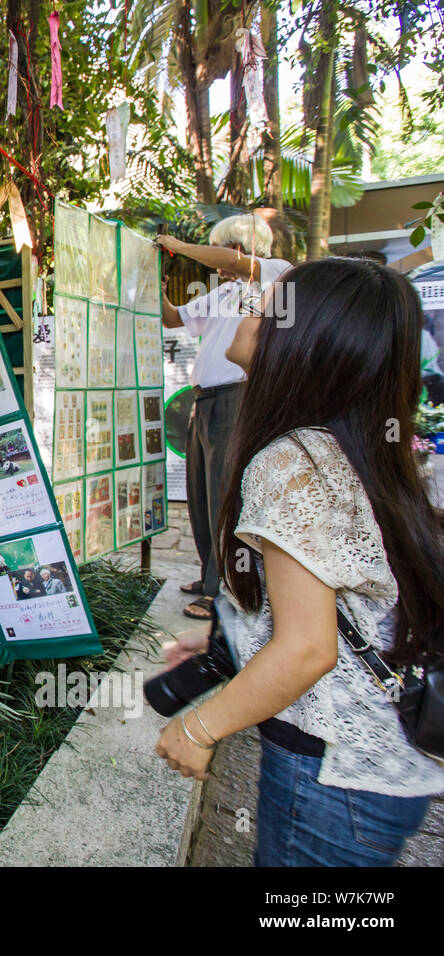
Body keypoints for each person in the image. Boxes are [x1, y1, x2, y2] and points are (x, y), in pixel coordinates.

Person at [155, 258, 444, 866]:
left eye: (266, 307)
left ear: (304, 341)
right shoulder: (357, 443)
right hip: (385, 766)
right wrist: (230, 645)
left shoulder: (292, 462)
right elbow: (341, 601)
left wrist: (197, 728)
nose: (252, 312)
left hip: (330, 778)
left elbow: (309, 648)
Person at [156, 215, 292, 621]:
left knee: (223, 497)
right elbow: (172, 318)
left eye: (227, 249)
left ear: (245, 248)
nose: (220, 261)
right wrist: (155, 287)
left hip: (237, 396)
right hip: (206, 399)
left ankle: (225, 589)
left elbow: (238, 264)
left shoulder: (275, 276)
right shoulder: (222, 292)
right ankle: (208, 575)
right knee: (201, 495)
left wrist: (178, 246)